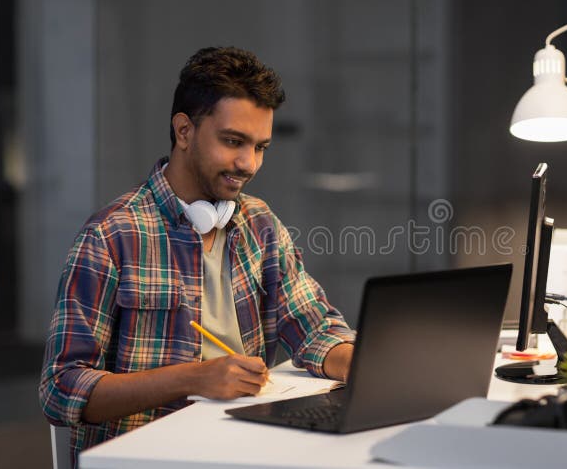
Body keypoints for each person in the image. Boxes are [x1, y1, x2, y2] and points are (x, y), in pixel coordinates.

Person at [39, 47, 355, 465]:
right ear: (184, 131)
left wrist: (368, 366)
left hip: (244, 450)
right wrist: (194, 378)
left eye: (261, 147)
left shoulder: (260, 225)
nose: (249, 164)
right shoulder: (111, 237)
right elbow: (61, 390)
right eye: (233, 141)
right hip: (148, 458)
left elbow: (315, 331)